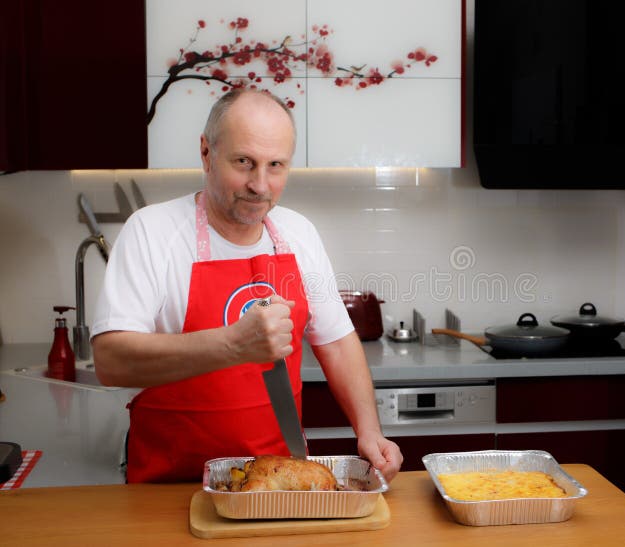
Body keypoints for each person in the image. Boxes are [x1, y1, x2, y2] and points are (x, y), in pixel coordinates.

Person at [91, 88, 402, 483]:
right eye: (244, 162)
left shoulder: (298, 233)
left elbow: (338, 343)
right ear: (206, 153)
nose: (260, 184)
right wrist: (233, 344)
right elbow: (110, 361)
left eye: (276, 165)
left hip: (276, 482)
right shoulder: (152, 232)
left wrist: (369, 430)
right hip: (168, 485)